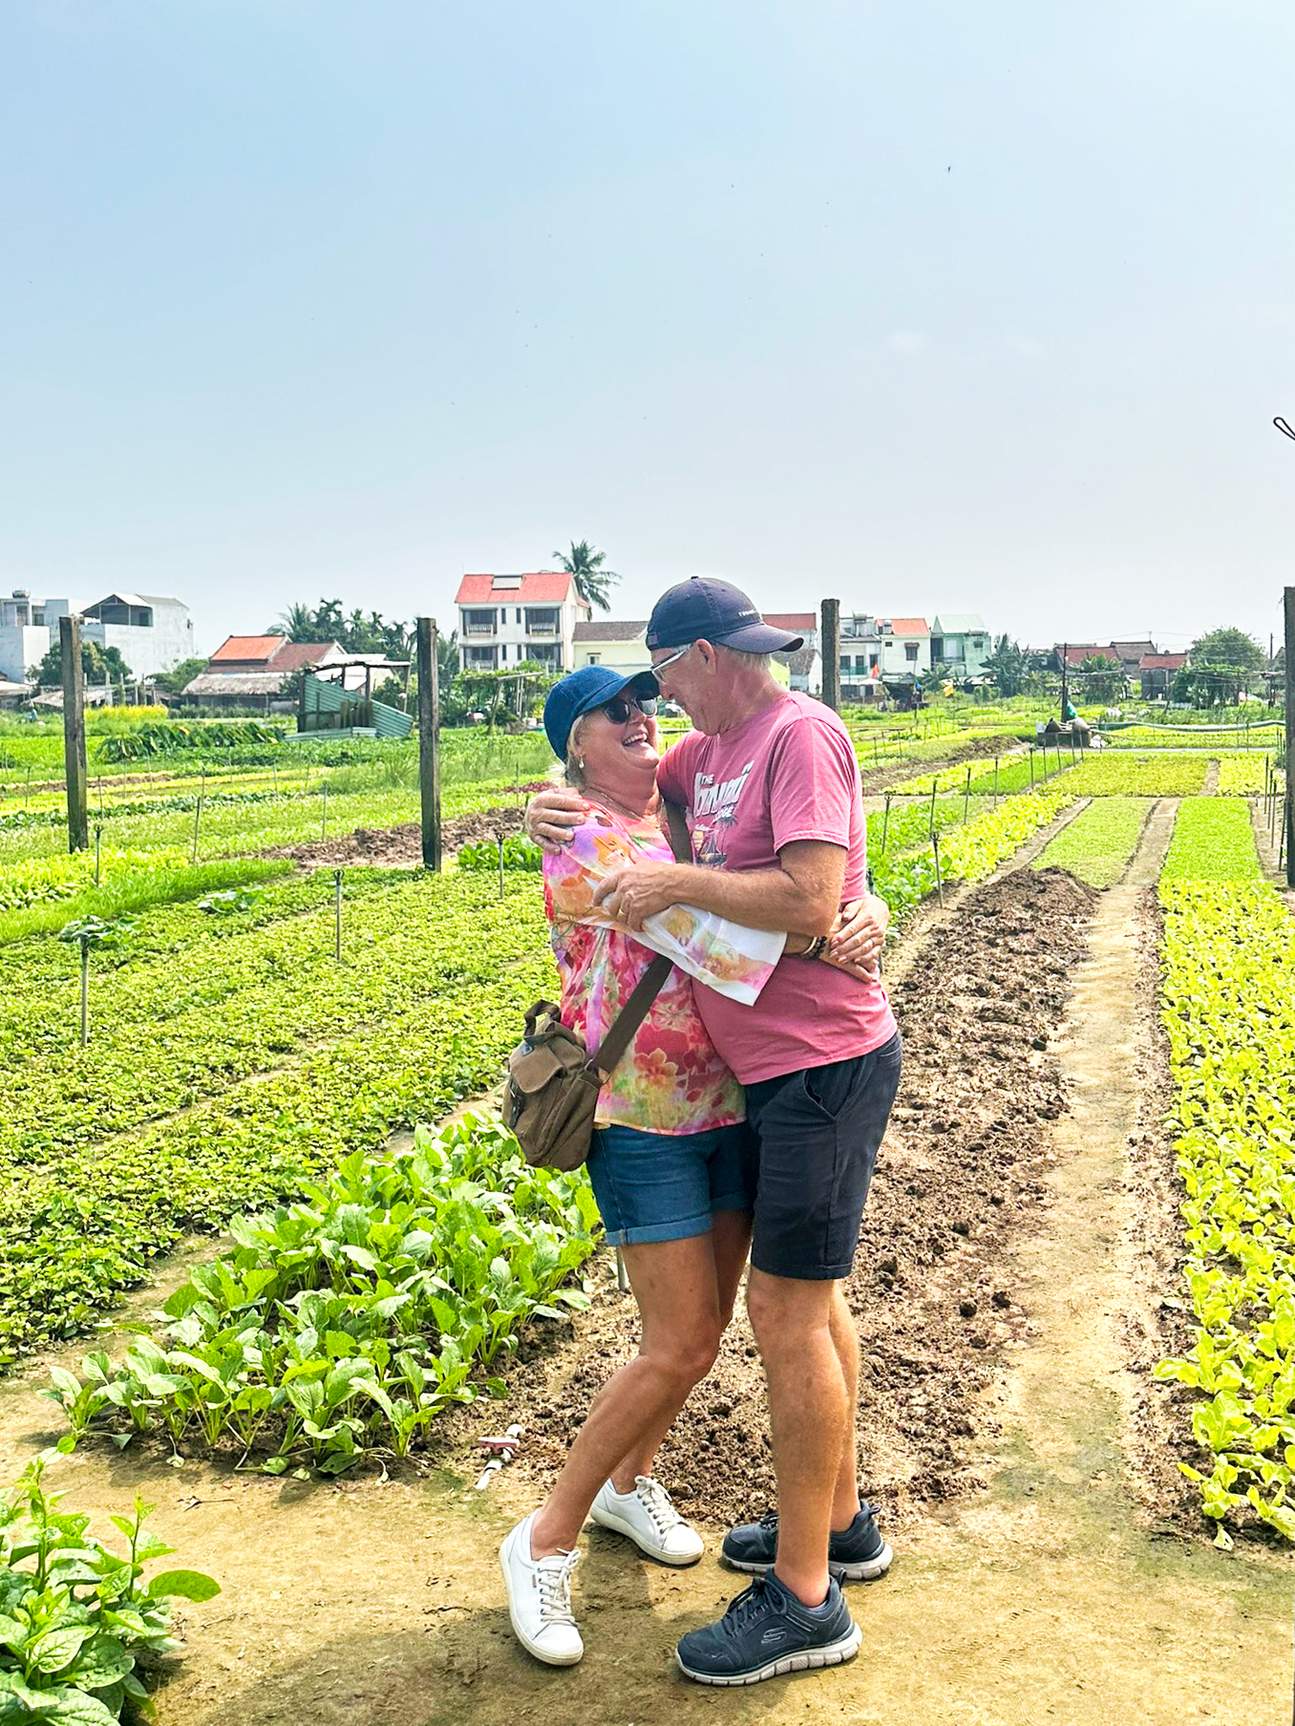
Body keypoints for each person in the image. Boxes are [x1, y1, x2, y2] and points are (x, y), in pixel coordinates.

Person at [526, 579, 902, 1687]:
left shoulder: (796, 731)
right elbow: (606, 803)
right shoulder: (705, 756)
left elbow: (805, 896)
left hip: (820, 1063)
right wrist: (540, 802)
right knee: (810, 1309)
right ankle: (837, 1531)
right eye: (629, 704)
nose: (655, 712)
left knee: (786, 1318)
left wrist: (842, 910)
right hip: (753, 1083)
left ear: (698, 656)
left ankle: (803, 1600)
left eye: (659, 687)